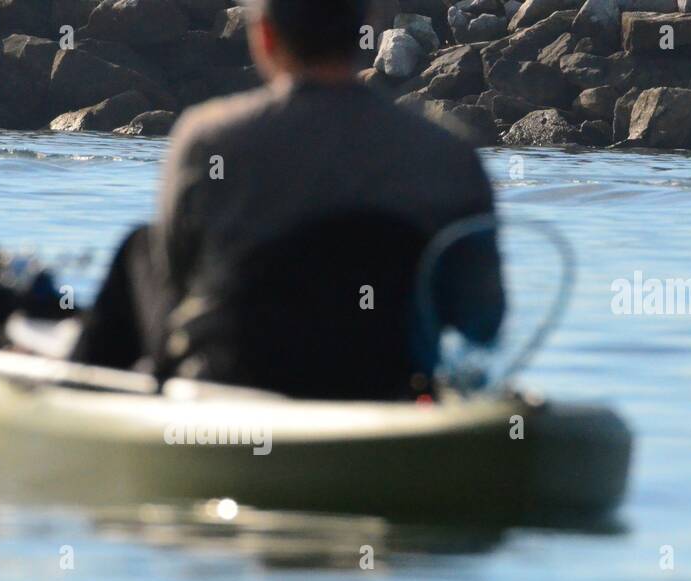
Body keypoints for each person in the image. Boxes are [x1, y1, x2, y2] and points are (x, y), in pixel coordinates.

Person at [65, 0, 504, 398]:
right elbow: (481, 320)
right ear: (366, 29)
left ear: (265, 35)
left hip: (233, 384)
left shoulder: (208, 139)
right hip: (386, 387)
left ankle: (76, 403)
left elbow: (182, 287)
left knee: (140, 247)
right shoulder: (450, 155)